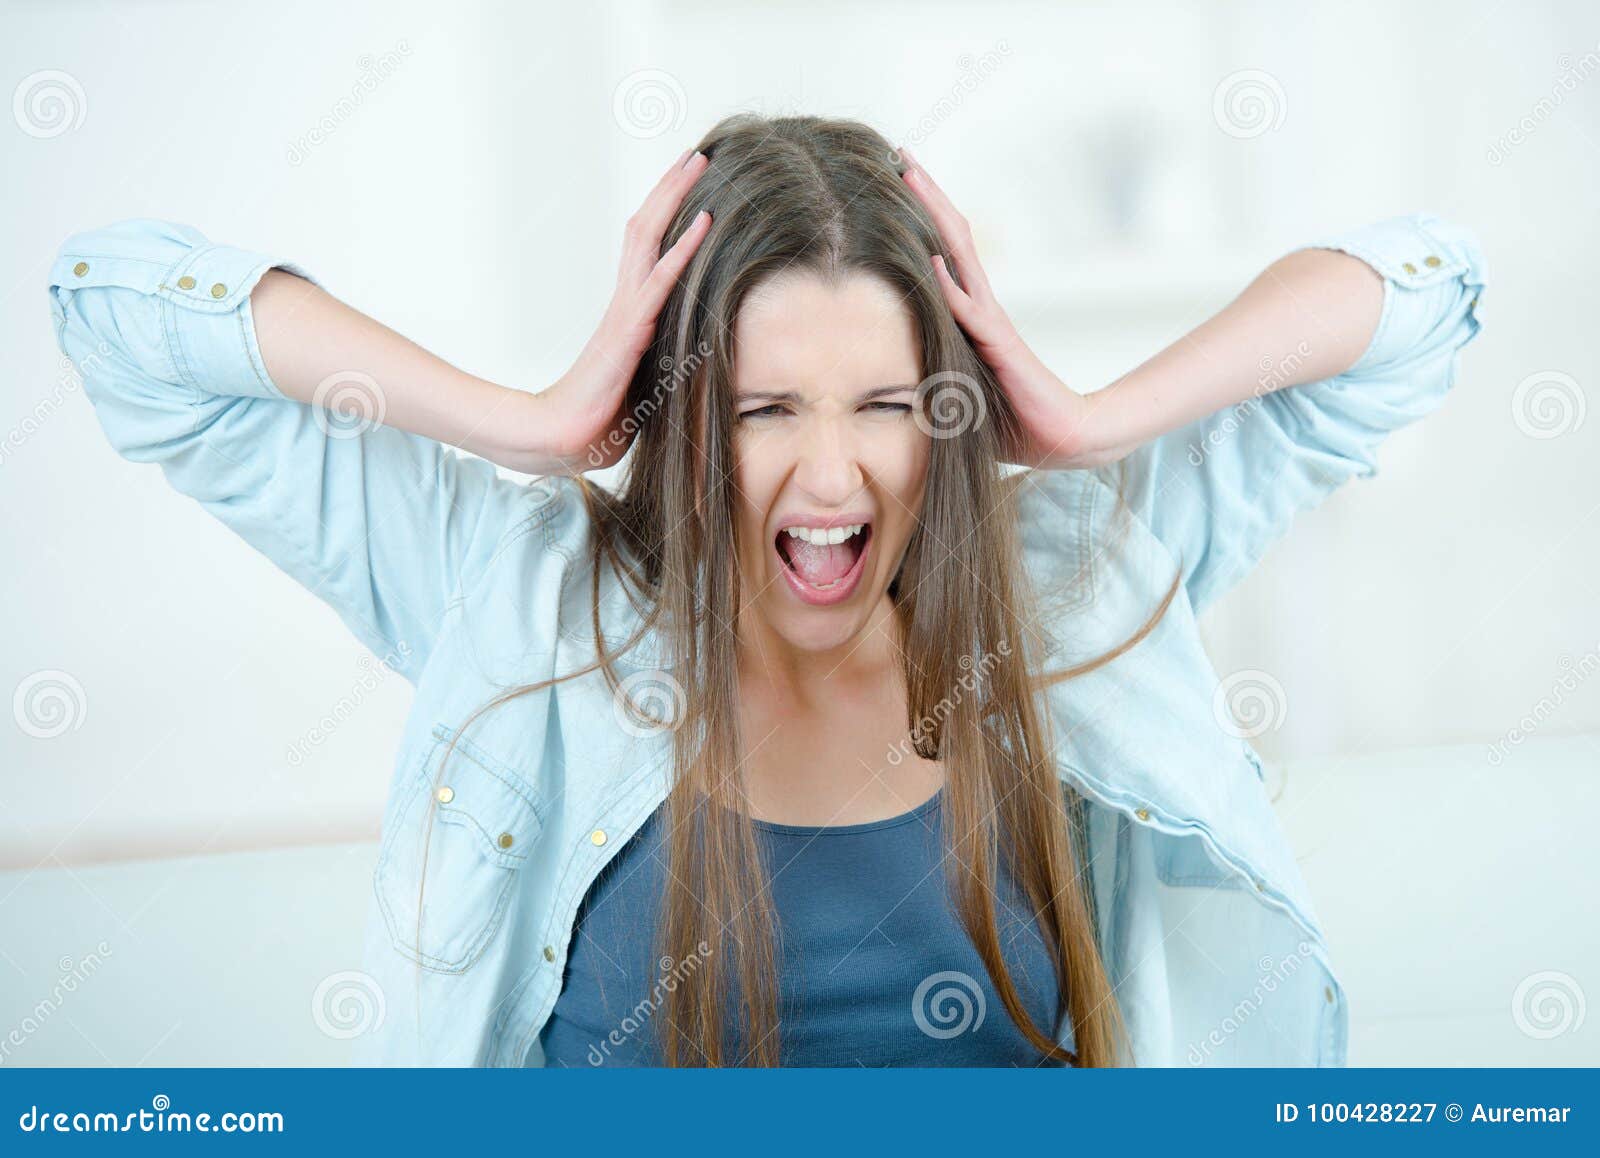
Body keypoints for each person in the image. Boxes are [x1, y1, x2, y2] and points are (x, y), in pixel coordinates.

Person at [47, 113, 1486, 1066]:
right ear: (676, 414)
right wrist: (534, 420)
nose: (832, 475)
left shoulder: (1063, 592)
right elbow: (110, 308)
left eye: (882, 403)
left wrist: (1093, 417)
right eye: (760, 410)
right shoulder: (524, 599)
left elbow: (1423, 303)